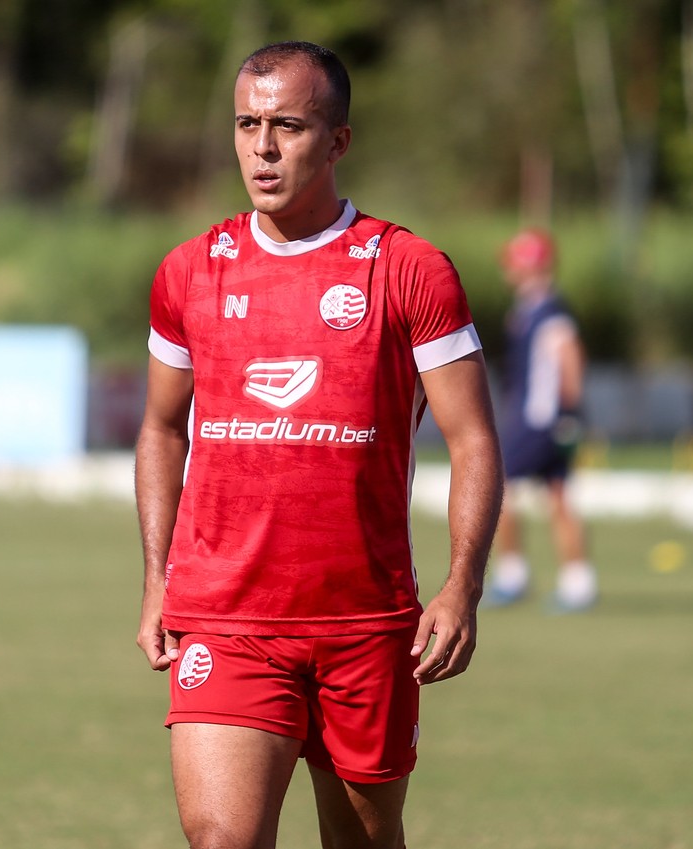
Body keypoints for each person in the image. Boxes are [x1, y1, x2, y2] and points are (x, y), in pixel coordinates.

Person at [134, 41, 504, 849]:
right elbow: (162, 427)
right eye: (247, 124)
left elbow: (474, 439)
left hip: (365, 623)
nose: (262, 148)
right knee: (223, 840)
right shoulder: (191, 272)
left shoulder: (409, 270)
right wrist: (159, 576)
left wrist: (462, 584)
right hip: (226, 617)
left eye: (289, 126)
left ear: (336, 141)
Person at [485, 228, 598, 612]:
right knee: (559, 495)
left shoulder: (549, 311)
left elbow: (570, 358)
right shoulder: (529, 308)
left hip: (539, 420)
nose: (509, 271)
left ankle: (512, 576)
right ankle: (578, 582)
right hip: (548, 419)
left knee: (498, 490)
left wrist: (568, 413)